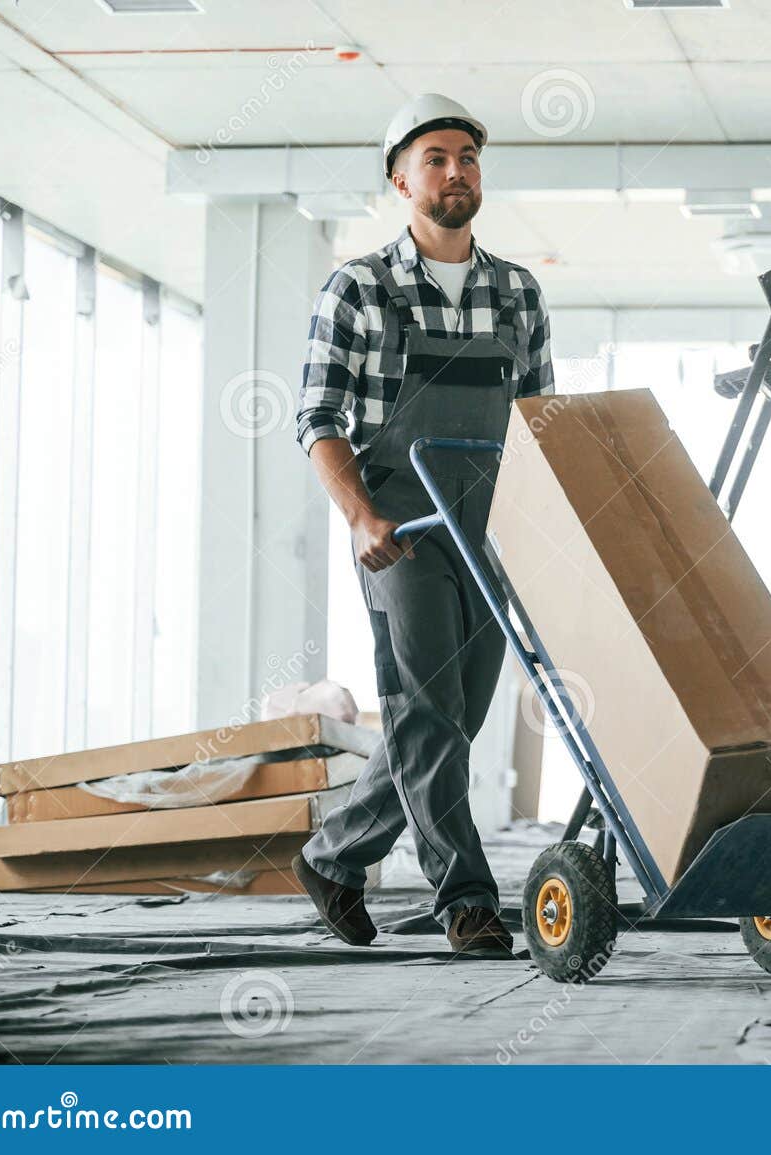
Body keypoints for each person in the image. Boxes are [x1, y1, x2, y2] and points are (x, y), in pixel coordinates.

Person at [290, 94, 554, 955]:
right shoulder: (360, 288)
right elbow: (318, 416)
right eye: (435, 159)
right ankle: (467, 899)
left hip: (491, 525)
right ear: (401, 180)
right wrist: (361, 513)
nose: (454, 172)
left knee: (450, 716)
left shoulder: (519, 292)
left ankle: (335, 855)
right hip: (400, 522)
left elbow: (538, 423)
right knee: (429, 706)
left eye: (467, 158)